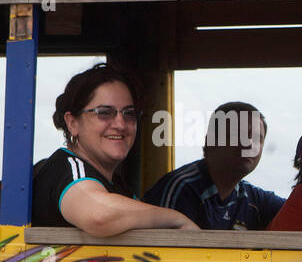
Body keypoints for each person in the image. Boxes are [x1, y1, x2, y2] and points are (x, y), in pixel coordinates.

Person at [31, 63, 198, 235]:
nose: (120, 124)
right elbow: (99, 215)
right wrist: (177, 219)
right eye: (104, 112)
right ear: (72, 123)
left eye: (129, 114)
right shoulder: (67, 169)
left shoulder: (117, 185)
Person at [144, 102, 283, 230]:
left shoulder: (252, 198)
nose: (249, 145)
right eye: (238, 135)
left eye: (257, 139)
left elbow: (300, 210)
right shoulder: (183, 188)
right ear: (211, 141)